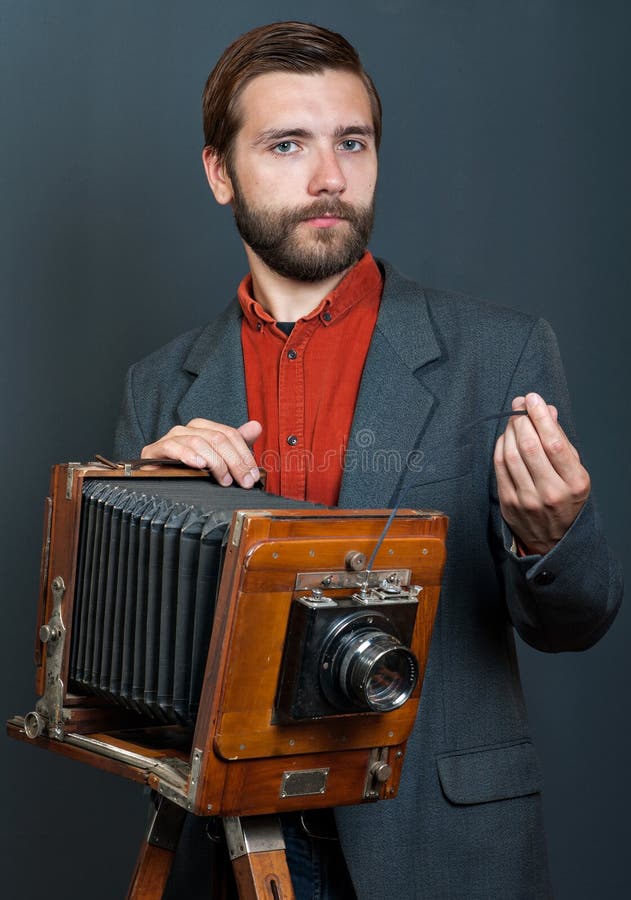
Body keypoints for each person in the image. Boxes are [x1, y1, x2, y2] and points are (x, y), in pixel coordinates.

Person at [114, 21, 623, 900]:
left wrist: (554, 539)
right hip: (235, 851)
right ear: (219, 173)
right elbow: (131, 685)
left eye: (352, 142)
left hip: (440, 844)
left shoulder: (498, 354)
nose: (330, 179)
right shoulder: (158, 388)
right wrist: (144, 509)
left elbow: (573, 623)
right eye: (287, 145)